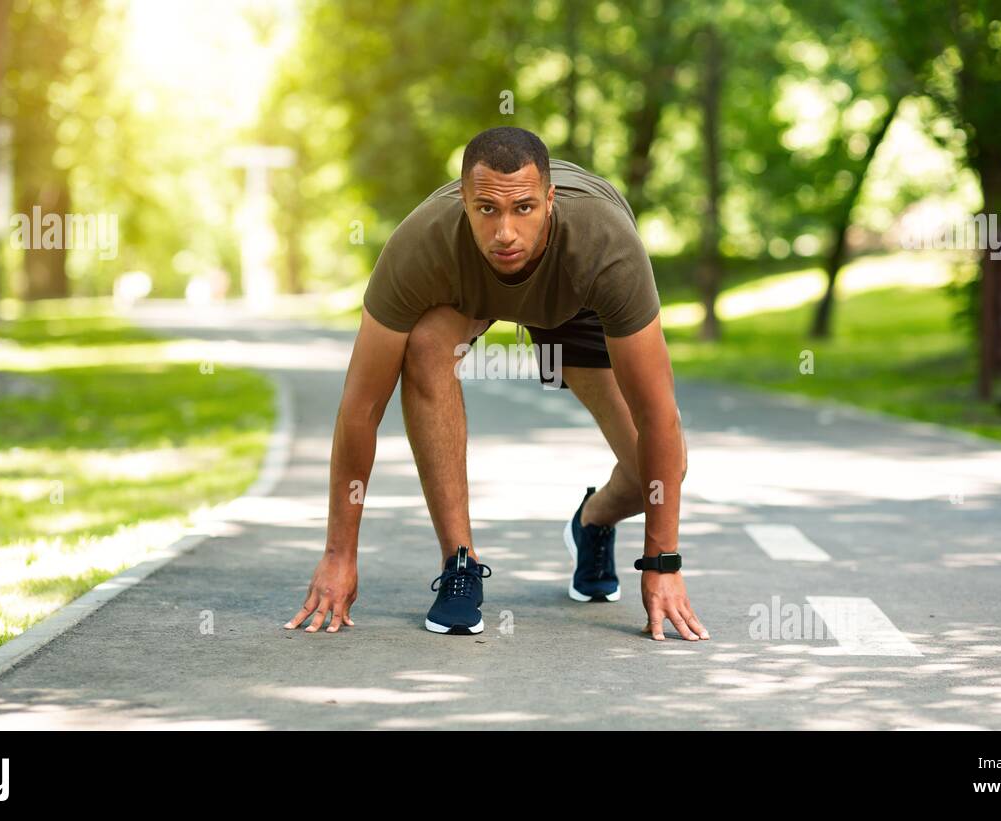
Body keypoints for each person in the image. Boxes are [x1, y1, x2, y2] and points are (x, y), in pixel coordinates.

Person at [284, 126, 707, 641]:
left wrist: (661, 563)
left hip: (574, 299)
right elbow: (360, 409)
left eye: (523, 208)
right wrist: (338, 554)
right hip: (472, 295)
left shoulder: (607, 248)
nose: (505, 231)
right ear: (463, 202)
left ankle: (592, 521)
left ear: (549, 200)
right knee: (425, 344)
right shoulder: (421, 245)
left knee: (662, 469)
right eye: (487, 210)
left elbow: (656, 413)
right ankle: (459, 564)